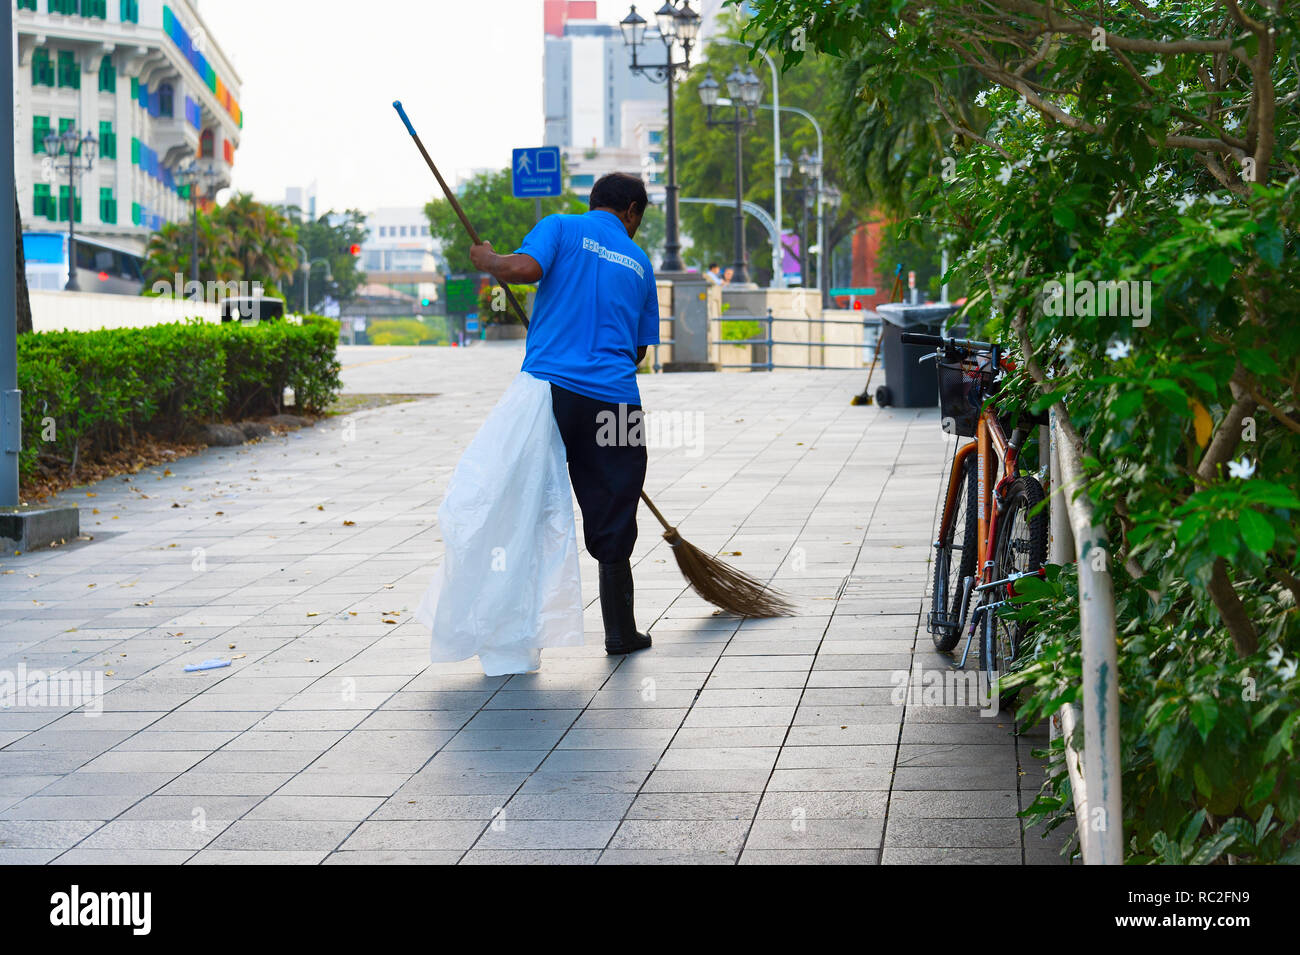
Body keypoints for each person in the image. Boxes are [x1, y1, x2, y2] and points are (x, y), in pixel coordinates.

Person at [467, 172, 659, 656]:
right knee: (616, 500)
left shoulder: (559, 227)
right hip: (616, 400)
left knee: (529, 500)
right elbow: (637, 349)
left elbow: (525, 269)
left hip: (549, 394)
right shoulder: (640, 262)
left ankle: (514, 633)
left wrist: (488, 259)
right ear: (631, 211)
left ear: (593, 202)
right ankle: (620, 630)